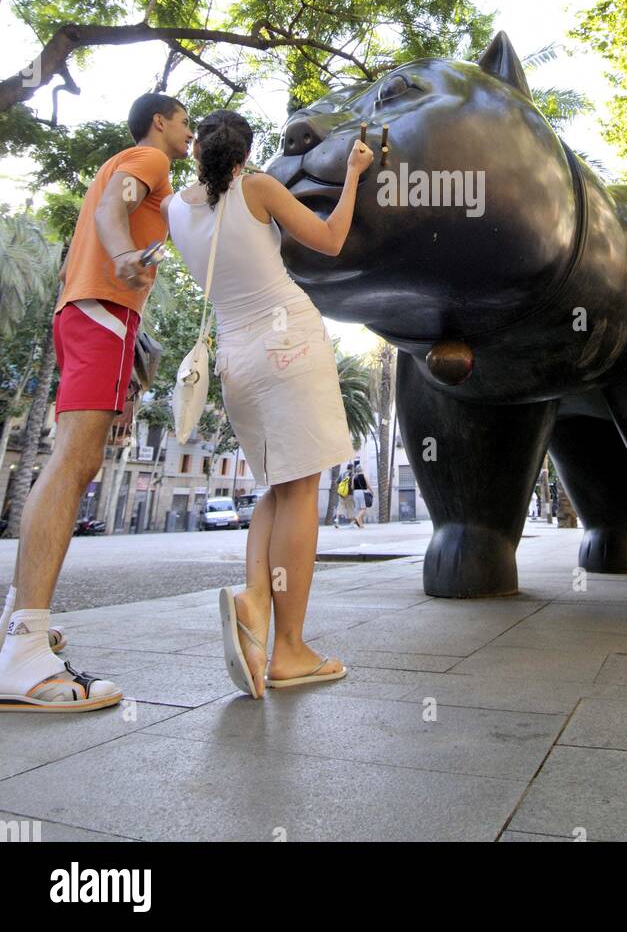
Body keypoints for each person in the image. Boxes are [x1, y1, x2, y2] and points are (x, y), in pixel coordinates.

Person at [167, 109, 373, 697]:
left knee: (277, 489)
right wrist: (355, 172)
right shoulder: (256, 187)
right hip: (289, 343)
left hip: (234, 359)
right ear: (243, 154)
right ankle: (289, 650)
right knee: (301, 490)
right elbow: (331, 240)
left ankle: (256, 598)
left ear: (197, 149)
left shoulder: (174, 211)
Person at [0, 94, 193, 713]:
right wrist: (122, 255)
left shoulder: (126, 163)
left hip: (84, 312)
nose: (188, 133)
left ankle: (16, 626)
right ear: (160, 122)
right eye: (185, 121)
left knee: (70, 461)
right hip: (103, 312)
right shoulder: (146, 158)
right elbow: (118, 207)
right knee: (75, 463)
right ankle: (25, 649)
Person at [352, 459, 371, 527]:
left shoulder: (354, 477)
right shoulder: (363, 476)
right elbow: (368, 485)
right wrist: (372, 491)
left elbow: (352, 487)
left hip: (355, 493)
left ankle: (360, 525)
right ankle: (357, 518)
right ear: (361, 470)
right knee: (364, 508)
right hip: (361, 492)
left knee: (359, 509)